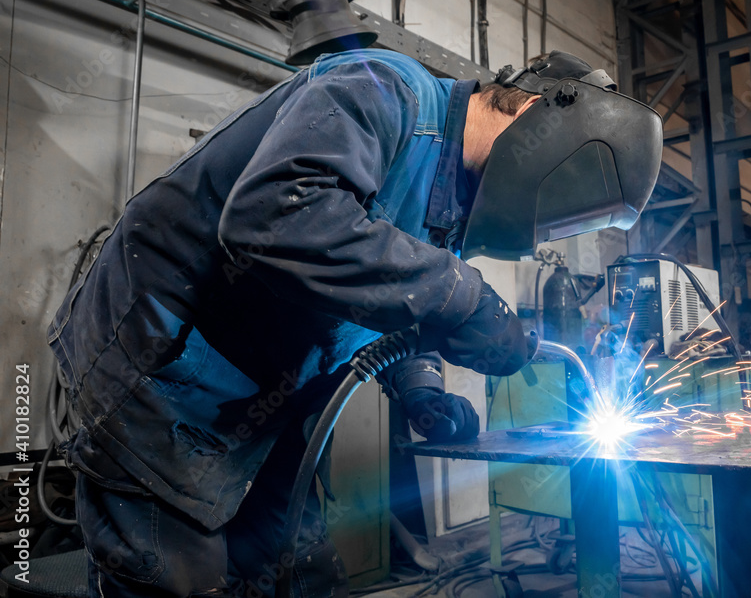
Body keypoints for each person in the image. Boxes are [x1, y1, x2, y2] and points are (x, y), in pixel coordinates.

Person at [48, 48, 662, 598]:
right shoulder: (382, 88)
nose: (538, 241)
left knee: (299, 571)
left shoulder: (455, 196)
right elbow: (276, 216)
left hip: (262, 406)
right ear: (540, 115)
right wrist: (462, 297)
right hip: (157, 383)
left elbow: (388, 288)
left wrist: (420, 386)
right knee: (177, 580)